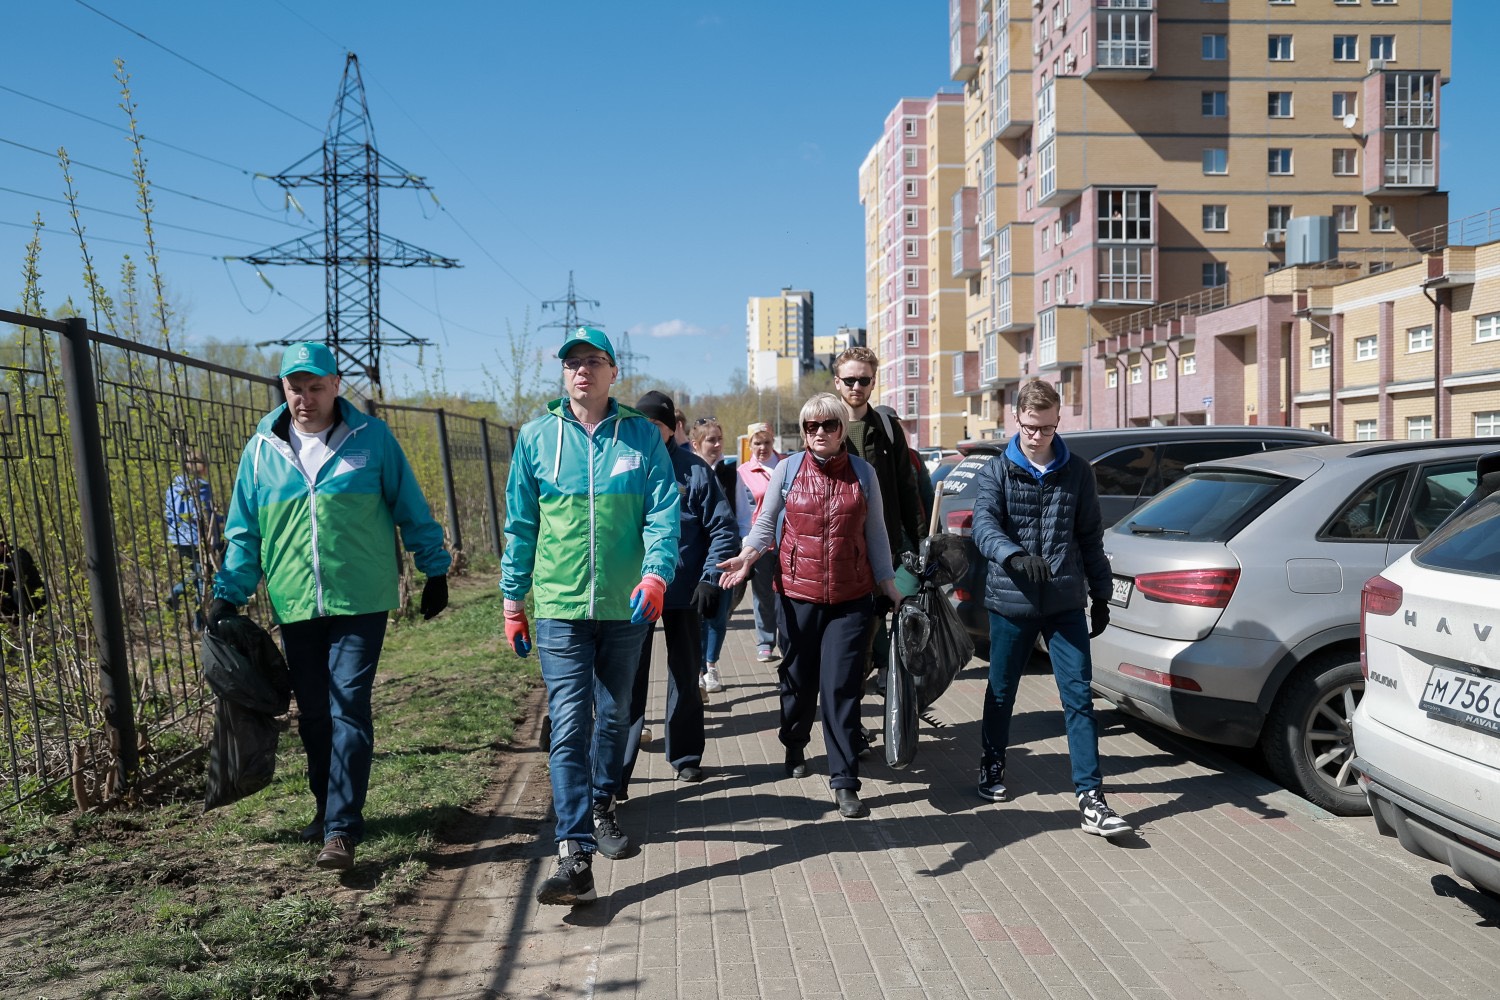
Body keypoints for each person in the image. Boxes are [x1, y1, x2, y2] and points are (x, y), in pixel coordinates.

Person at [208, 342, 451, 872]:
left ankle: (342, 828)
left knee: (348, 706)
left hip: (361, 599)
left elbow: (410, 505)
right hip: (296, 602)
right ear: (283, 389)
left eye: (316, 387)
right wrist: (228, 589)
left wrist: (434, 567)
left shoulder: (372, 439)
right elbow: (245, 532)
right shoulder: (262, 451)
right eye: (295, 388)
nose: (305, 398)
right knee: (315, 714)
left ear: (336, 385)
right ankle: (325, 812)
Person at [500, 327, 679, 907]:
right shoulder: (535, 438)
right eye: (573, 363)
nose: (582, 371)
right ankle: (573, 851)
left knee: (614, 714)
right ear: (564, 374)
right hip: (558, 605)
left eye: (594, 361)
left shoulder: (640, 438)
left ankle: (603, 800)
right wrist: (512, 600)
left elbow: (662, 513)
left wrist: (656, 573)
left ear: (613, 372)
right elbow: (521, 525)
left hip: (626, 605)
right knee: (570, 720)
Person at [719, 394, 901, 820]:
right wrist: (747, 556)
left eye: (829, 426)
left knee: (840, 687)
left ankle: (844, 781)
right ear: (803, 432)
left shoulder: (863, 473)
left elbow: (876, 533)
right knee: (799, 681)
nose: (820, 433)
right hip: (798, 595)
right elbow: (766, 523)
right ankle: (794, 740)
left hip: (851, 596)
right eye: (811, 427)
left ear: (841, 430)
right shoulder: (787, 470)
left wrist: (888, 583)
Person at [968, 378, 1131, 838]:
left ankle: (1092, 798)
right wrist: (1011, 555)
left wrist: (1100, 594)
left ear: (1058, 422)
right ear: (1015, 419)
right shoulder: (997, 470)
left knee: (1078, 695)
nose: (1035, 436)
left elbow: (1089, 538)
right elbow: (983, 525)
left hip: (1063, 602)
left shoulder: (1077, 471)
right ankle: (992, 763)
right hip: (1012, 599)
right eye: (1028, 427)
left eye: (1044, 427)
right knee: (1002, 690)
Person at [615, 391, 739, 794]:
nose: (650, 432)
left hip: (685, 592)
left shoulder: (694, 471)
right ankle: (618, 768)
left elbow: (722, 529)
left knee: (685, 677)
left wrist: (709, 578)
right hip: (635, 594)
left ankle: (685, 756)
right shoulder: (623, 467)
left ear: (672, 428)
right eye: (644, 425)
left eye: (658, 426)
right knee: (628, 682)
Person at [831, 348, 926, 700]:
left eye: (864, 379)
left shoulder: (886, 427)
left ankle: (877, 719)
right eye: (850, 379)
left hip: (883, 548)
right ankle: (848, 727)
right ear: (837, 382)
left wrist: (918, 543)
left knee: (876, 630)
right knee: (851, 645)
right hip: (839, 553)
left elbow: (906, 487)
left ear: (873, 381)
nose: (857, 386)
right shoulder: (824, 423)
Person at [691, 416, 736, 693]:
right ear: (696, 444)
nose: (718, 444)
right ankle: (694, 668)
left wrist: (743, 551)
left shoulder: (731, 472)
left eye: (720, 439)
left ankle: (711, 666)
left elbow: (740, 514)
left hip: (726, 556)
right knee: (694, 616)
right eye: (711, 439)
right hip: (696, 558)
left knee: (719, 615)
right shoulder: (688, 471)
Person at [735, 423, 781, 663]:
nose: (762, 448)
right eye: (757, 443)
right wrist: (746, 544)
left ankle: (787, 639)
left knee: (788, 594)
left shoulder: (786, 464)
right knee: (763, 594)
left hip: (788, 540)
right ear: (750, 445)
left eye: (767, 442)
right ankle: (765, 641)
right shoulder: (743, 472)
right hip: (760, 543)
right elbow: (744, 512)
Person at [165, 450, 217, 626]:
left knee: (197, 575)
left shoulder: (173, 487)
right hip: (196, 539)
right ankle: (198, 621)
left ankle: (197, 620)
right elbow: (200, 514)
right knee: (202, 577)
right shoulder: (201, 487)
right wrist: (219, 521)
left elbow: (168, 514)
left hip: (177, 537)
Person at [875, 405, 935, 529]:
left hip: (915, 530)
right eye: (886, 425)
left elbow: (928, 497)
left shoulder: (913, 457)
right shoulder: (866, 459)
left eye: (894, 424)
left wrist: (934, 531)